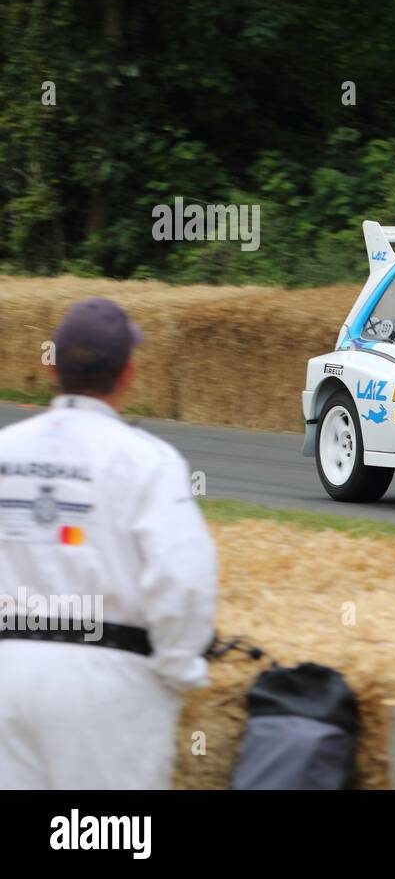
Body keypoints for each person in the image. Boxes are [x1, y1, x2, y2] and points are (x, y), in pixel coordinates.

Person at [0, 297, 217, 789]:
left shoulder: (5, 450)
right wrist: (179, 668)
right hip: (109, 688)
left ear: (51, 366)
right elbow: (182, 580)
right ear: (129, 373)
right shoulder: (149, 461)